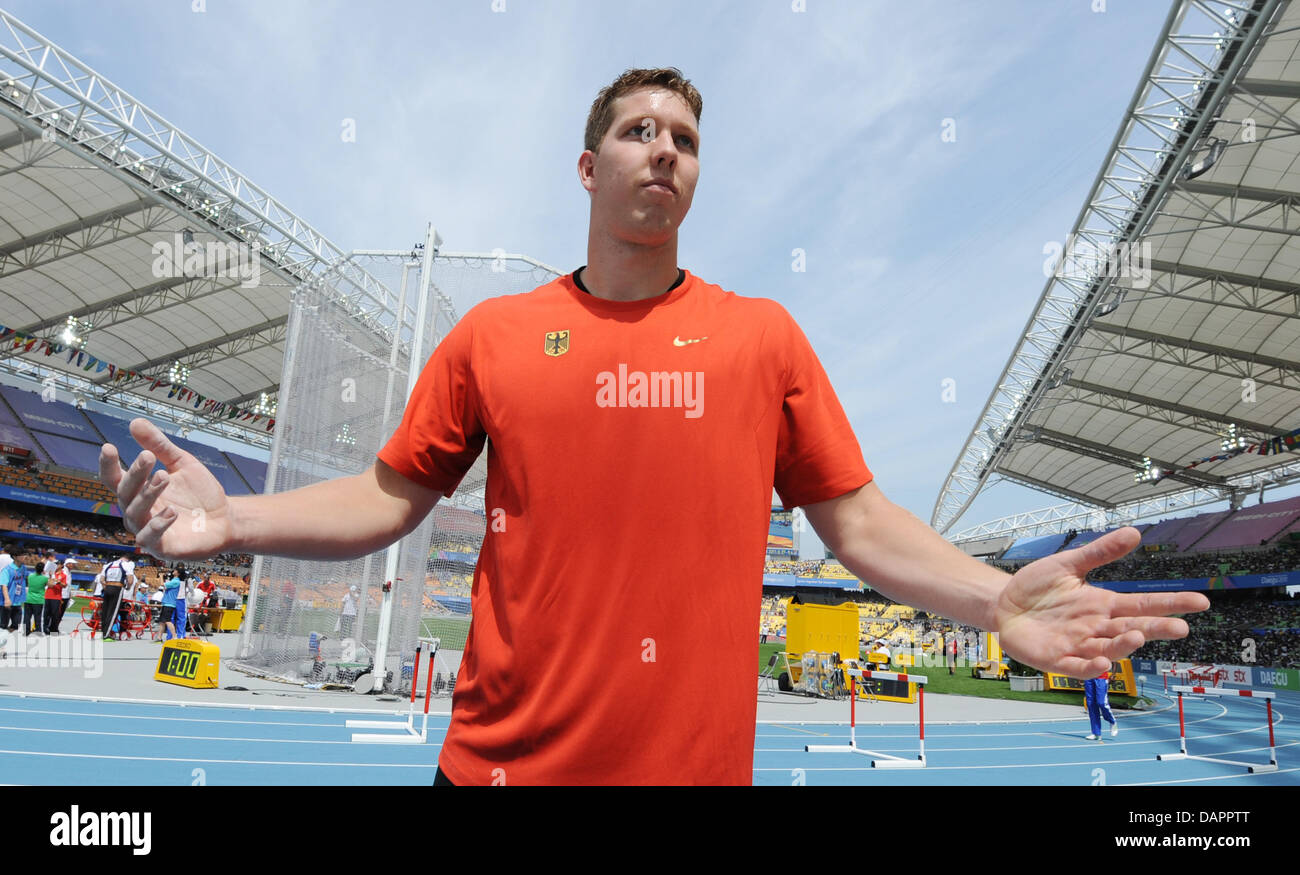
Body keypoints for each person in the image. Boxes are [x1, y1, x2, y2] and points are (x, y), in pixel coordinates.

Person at [98, 68, 1209, 786]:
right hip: (495, 772)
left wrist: (990, 595)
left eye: (682, 135)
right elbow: (389, 497)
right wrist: (231, 515)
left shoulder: (761, 337)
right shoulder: (493, 335)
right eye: (637, 130)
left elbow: (858, 522)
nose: (663, 148)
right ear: (590, 167)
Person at [95, 555, 134, 641]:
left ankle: (103, 632)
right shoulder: (126, 564)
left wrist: (106, 587)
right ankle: (106, 635)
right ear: (127, 559)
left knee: (105, 611)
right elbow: (130, 579)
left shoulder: (108, 565)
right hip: (117, 588)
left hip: (108, 587)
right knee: (113, 612)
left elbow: (102, 579)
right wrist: (128, 587)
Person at [1084, 670, 1118, 740]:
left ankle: (1112, 721)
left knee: (1101, 702)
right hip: (1088, 676)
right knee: (1091, 704)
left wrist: (1113, 674)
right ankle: (1096, 733)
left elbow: (1114, 661)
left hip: (1101, 677)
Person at [23, 564, 47, 636]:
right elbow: (50, 584)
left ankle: (25, 631)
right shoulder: (44, 578)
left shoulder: (30, 576)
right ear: (43, 570)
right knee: (37, 617)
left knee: (27, 616)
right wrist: (50, 576)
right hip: (38, 600)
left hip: (29, 598)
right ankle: (38, 631)